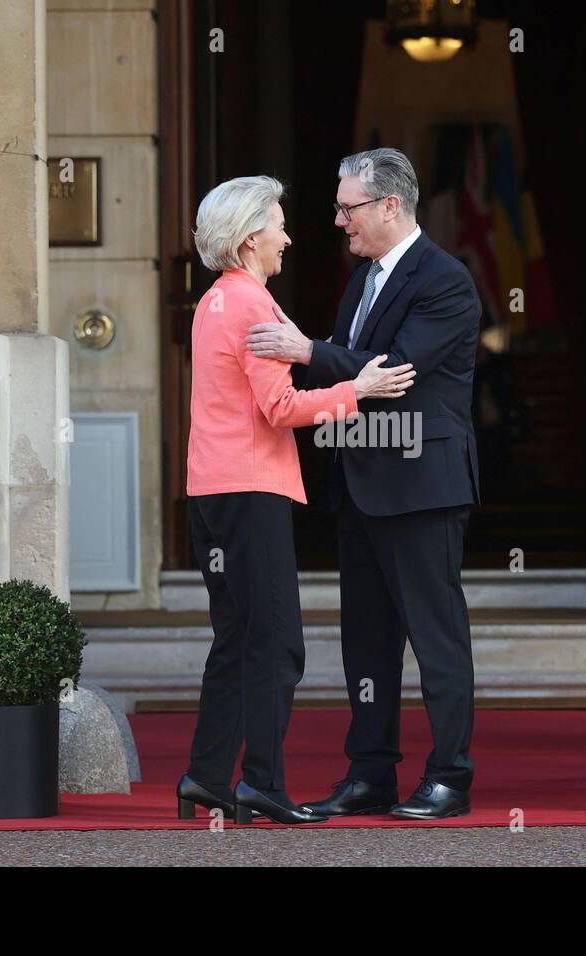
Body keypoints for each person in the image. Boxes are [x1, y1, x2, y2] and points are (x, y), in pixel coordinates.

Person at [245, 148, 481, 819]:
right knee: (366, 643)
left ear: (389, 206)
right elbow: (350, 379)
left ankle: (450, 777)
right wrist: (312, 361)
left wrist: (308, 352)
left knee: (436, 639)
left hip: (421, 486)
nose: (339, 221)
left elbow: (393, 373)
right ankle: (371, 773)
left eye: (349, 208)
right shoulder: (363, 281)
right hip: (360, 483)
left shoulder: (445, 280)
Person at [176, 175, 416, 825]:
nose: (288, 237)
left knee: (236, 638)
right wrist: (358, 391)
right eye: (279, 226)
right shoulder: (252, 305)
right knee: (279, 645)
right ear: (252, 237)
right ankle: (261, 784)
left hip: (211, 491)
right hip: (251, 488)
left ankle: (205, 775)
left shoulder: (216, 300)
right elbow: (280, 407)